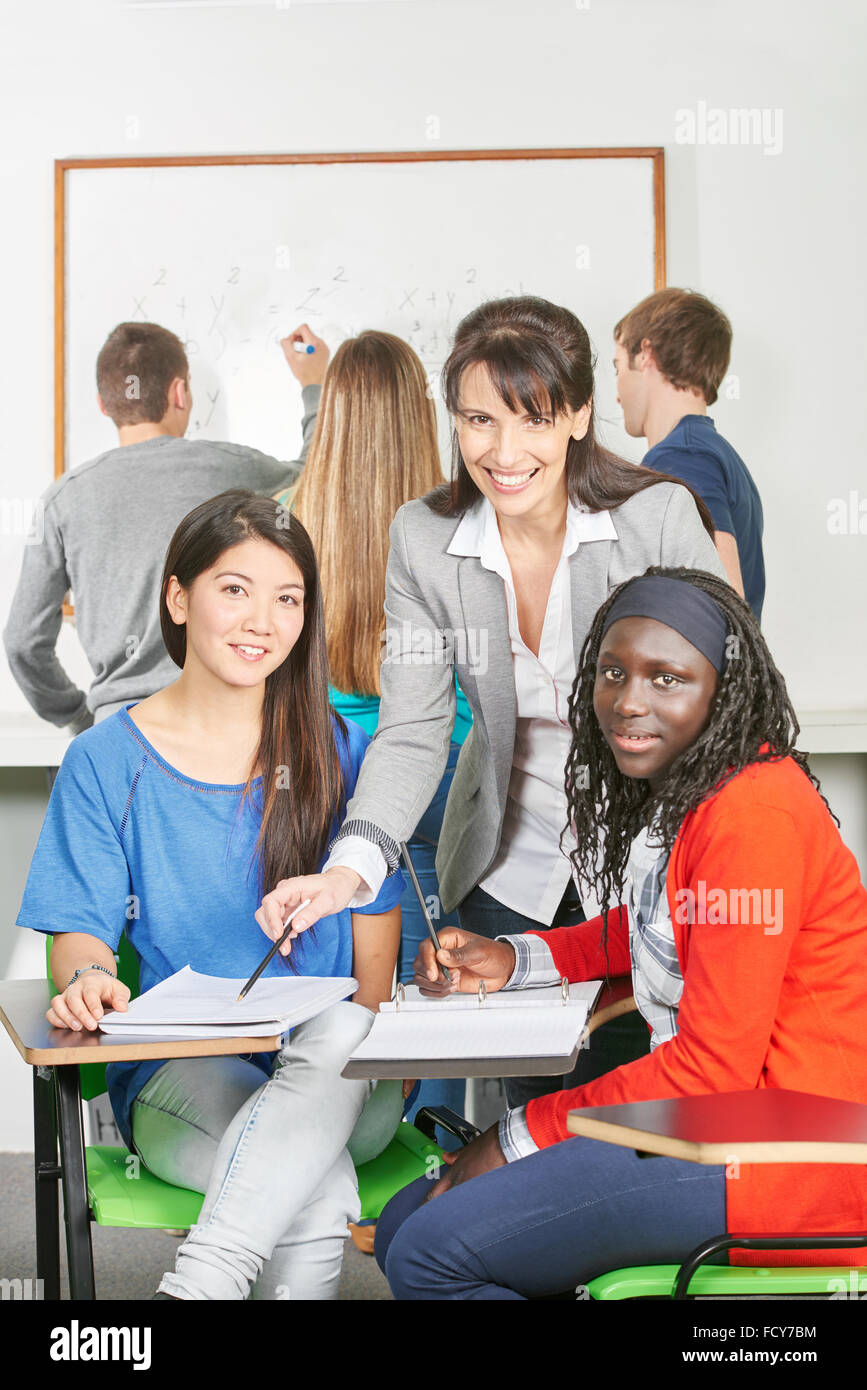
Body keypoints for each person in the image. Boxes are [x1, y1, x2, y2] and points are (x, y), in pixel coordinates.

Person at [254, 295, 730, 1109]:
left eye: (533, 421)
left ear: (580, 414)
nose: (503, 453)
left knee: (647, 1114)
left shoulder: (655, 519)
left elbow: (726, 705)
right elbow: (411, 733)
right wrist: (347, 870)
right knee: (536, 1117)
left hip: (652, 871)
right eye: (478, 422)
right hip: (515, 876)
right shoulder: (426, 541)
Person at [374, 566, 867, 1298]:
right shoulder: (702, 788)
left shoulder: (752, 816)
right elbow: (653, 928)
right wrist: (512, 958)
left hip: (783, 1159)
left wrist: (515, 1137)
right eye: (613, 672)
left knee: (428, 1255)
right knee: (400, 1224)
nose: (628, 702)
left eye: (666, 679)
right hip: (719, 1130)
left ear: (722, 690)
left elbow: (709, 1073)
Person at [16, 489, 406, 1300]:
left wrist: (360, 1060)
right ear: (177, 596)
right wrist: (89, 980)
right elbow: (79, 936)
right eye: (235, 589)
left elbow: (373, 974)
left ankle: (198, 1285)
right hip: (183, 1077)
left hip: (341, 1072)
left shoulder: (342, 752)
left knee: (339, 1030)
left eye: (287, 599)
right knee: (311, 1180)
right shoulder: (104, 762)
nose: (262, 620)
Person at [274, 329, 473, 1124]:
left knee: (347, 986)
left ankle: (331, 1156)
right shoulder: (454, 520)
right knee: (444, 984)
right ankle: (434, 1167)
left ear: (332, 417)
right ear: (423, 411)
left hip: (331, 772)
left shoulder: (289, 517)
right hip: (444, 766)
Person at [4, 319, 328, 731]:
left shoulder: (62, 499)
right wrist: (314, 383)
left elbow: (23, 643)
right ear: (180, 392)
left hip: (117, 728)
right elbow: (319, 475)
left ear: (105, 405)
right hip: (223, 726)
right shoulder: (231, 467)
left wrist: (78, 714)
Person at [613, 287, 765, 621]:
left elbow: (722, 604)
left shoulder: (685, 458)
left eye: (618, 367)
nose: (617, 393)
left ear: (646, 355)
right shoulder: (712, 453)